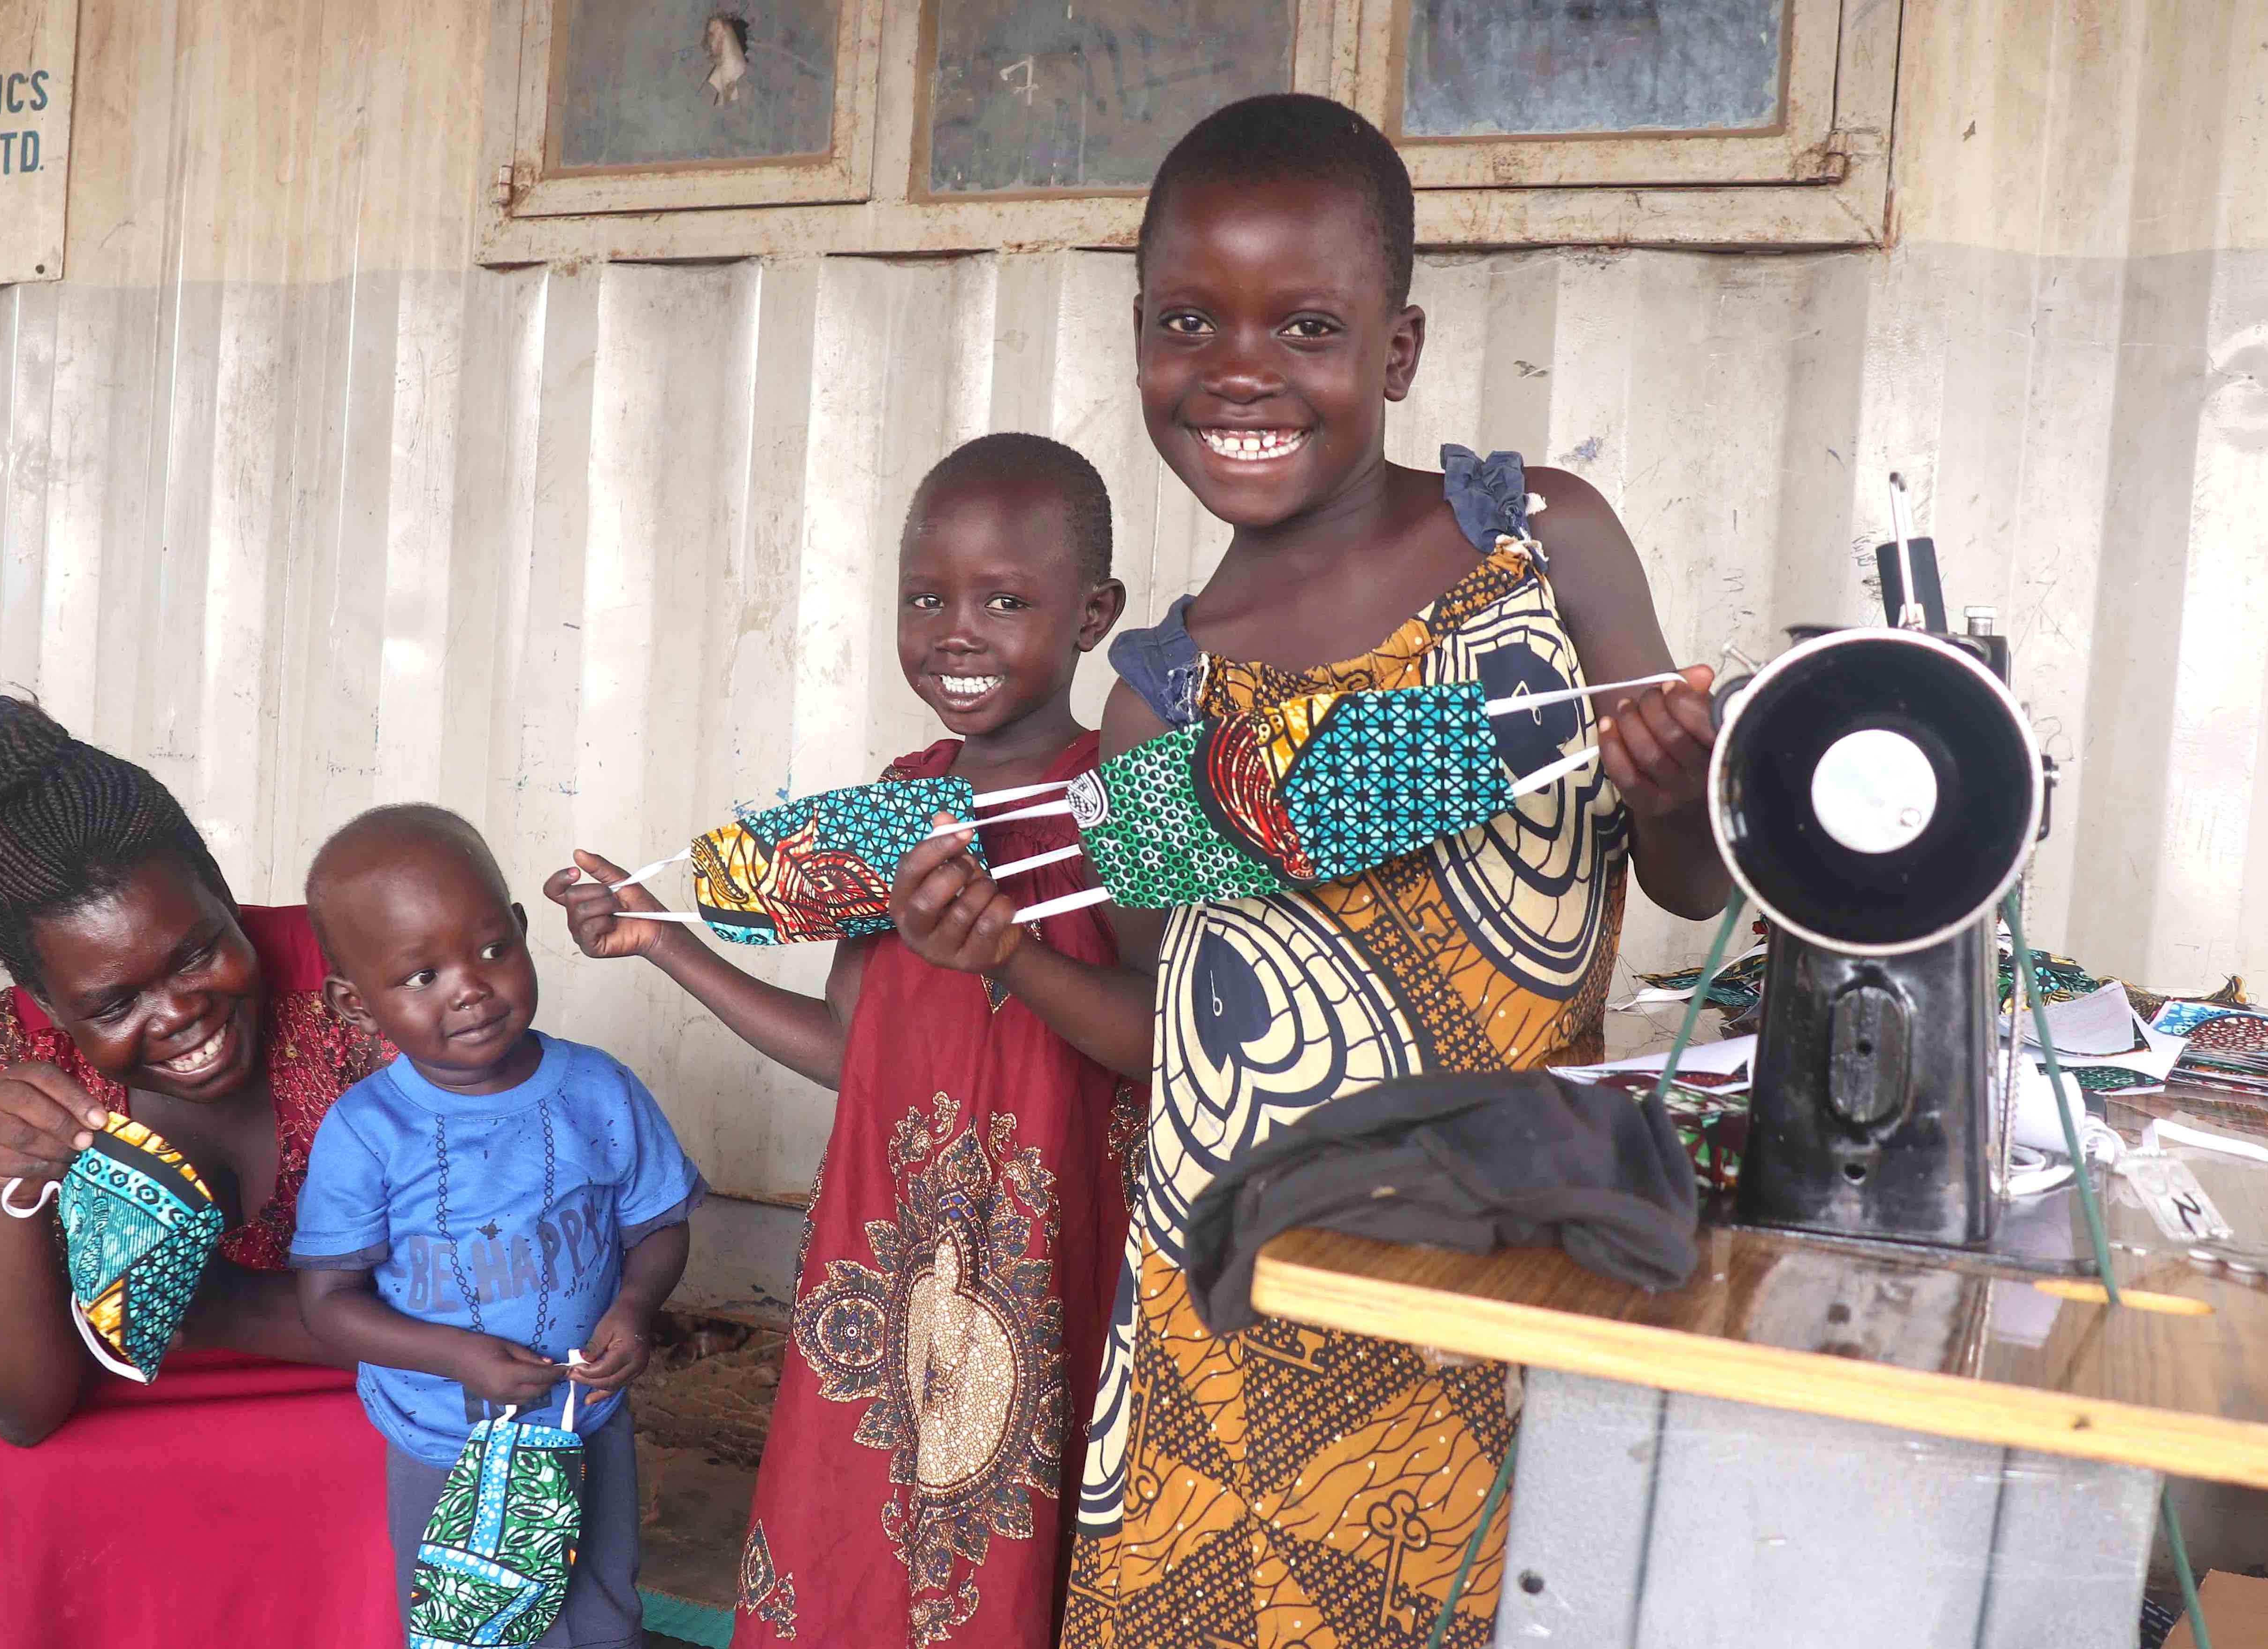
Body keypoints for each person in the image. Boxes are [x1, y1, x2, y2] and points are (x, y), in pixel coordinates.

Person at [1061, 95, 1733, 1649]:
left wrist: (1680, 789)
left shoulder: (1540, 552)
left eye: (1305, 325)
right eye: (1185, 322)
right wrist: (995, 946)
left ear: (1400, 349)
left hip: (1499, 1303)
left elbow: (1690, 885)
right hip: (1225, 1346)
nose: (1237, 371)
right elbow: (1166, 1033)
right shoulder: (1154, 703)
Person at [553, 432, 1154, 1649]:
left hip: (1052, 1274)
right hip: (881, 1283)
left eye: (1003, 599)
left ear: (1094, 613)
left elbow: (1159, 1045)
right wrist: (666, 942)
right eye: (925, 598)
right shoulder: (898, 801)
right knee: (859, 1563)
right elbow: (848, 1045)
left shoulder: (1117, 803)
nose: (955, 631)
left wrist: (1010, 957)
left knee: (1028, 1572)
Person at [0, 692, 401, 1648]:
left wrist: (194, 1306)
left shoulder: (358, 986)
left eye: (196, 951)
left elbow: (481, 1304)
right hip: (140, 1393)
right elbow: (19, 1407)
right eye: (113, 1000)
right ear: (44, 998)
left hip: (384, 1374)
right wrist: (17, 1191)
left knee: (445, 1447)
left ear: (220, 888)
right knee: (45, 1475)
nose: (179, 1012)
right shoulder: (19, 1063)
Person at [292, 805, 703, 1649]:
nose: (470, 988)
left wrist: (634, 1308)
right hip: (442, 1443)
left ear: (522, 933)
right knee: (467, 1627)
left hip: (582, 1421)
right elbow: (329, 1303)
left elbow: (656, 1226)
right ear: (353, 1005)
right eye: (420, 976)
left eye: (491, 951)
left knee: (601, 1612)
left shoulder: (599, 1090)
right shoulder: (367, 1132)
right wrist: (457, 1356)